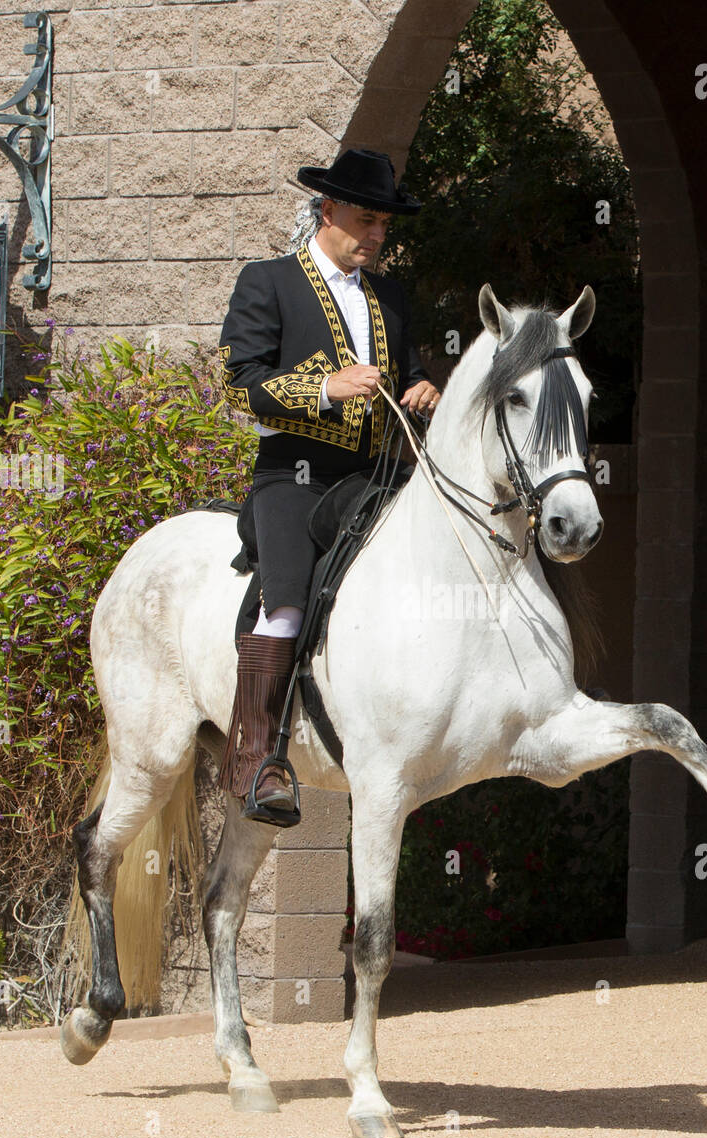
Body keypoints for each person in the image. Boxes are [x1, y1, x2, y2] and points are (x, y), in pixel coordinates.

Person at [217, 148, 440, 820]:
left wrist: (422, 386)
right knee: (285, 602)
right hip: (294, 477)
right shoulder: (269, 282)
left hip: (373, 478)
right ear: (328, 210)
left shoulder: (391, 297)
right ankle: (257, 758)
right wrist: (324, 387)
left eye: (384, 226)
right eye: (367, 221)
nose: (376, 235)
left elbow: (409, 371)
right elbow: (238, 382)